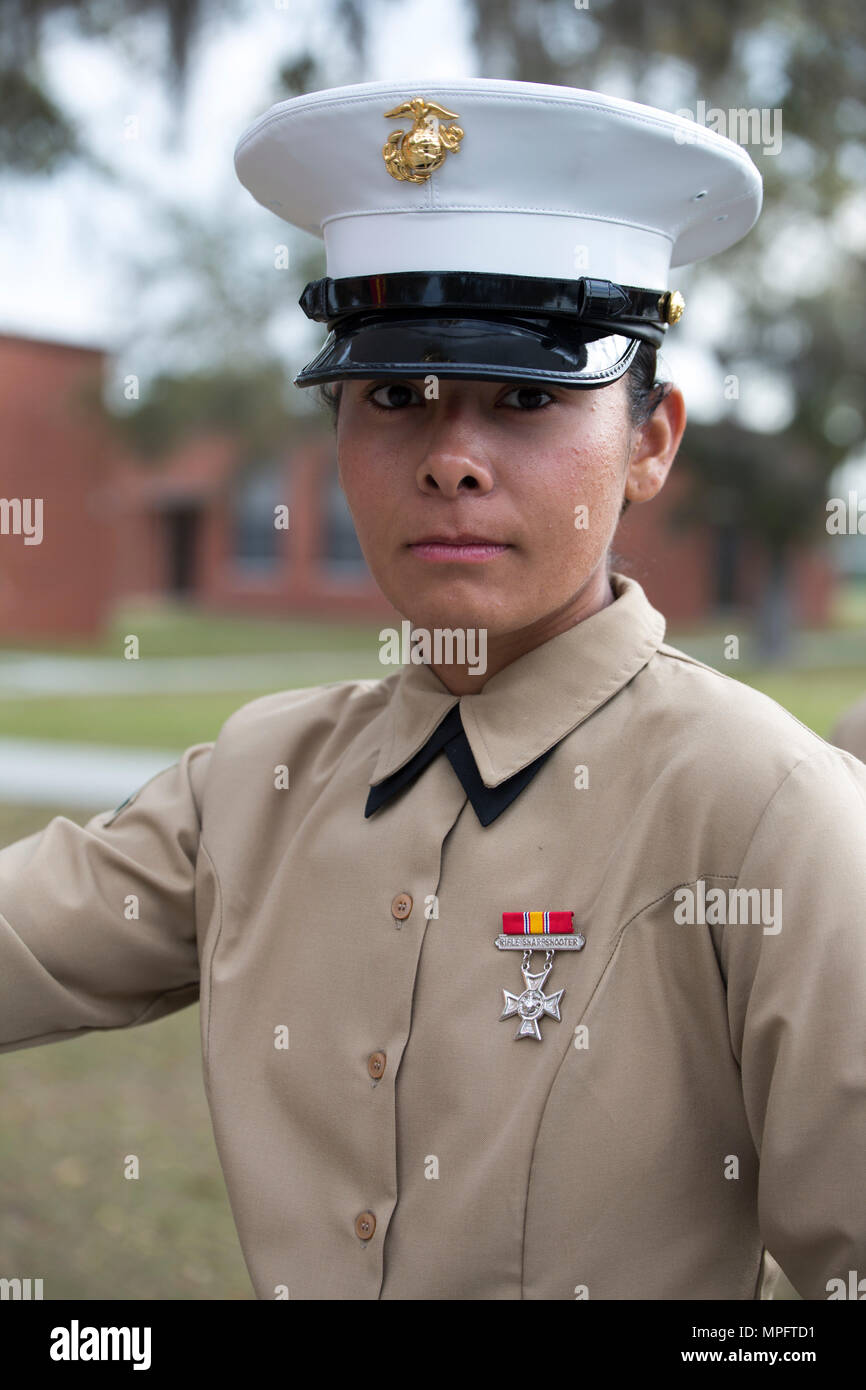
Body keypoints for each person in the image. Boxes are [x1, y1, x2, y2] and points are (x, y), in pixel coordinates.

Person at [2, 78, 865, 1302]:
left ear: (651, 439)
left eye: (524, 397)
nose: (451, 458)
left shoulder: (768, 809)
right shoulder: (257, 779)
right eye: (395, 396)